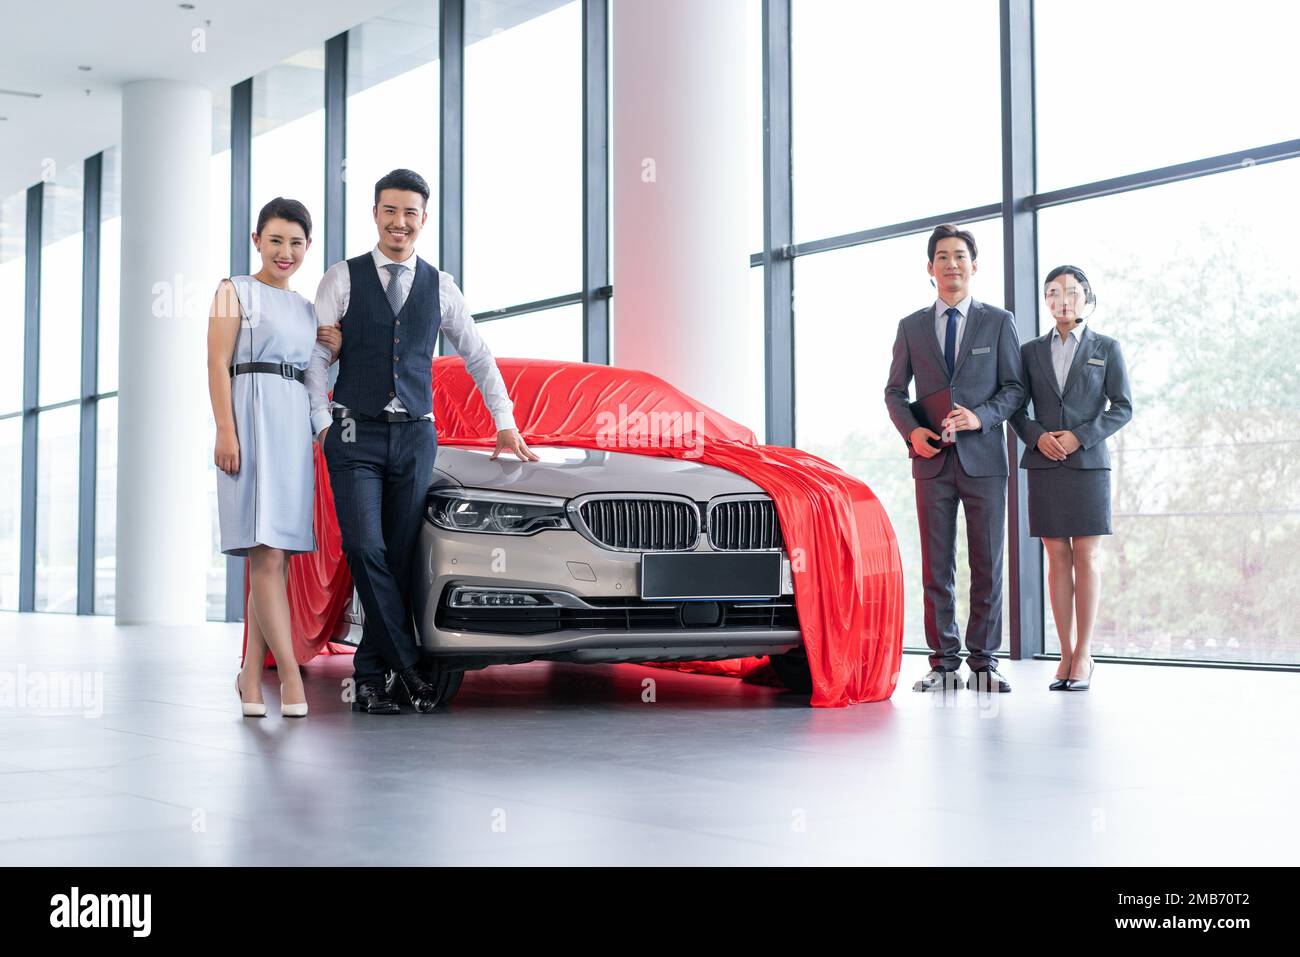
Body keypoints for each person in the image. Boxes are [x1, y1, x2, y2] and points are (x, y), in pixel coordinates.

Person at [307, 168, 539, 716]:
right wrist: (321, 423)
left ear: (423, 220)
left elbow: (478, 355)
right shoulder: (341, 277)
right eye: (390, 210)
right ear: (375, 215)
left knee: (401, 555)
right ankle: (410, 668)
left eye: (410, 213)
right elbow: (317, 357)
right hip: (352, 432)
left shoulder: (442, 285)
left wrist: (504, 421)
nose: (400, 222)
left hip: (415, 435)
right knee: (365, 548)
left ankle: (369, 679)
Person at [208, 197, 339, 718]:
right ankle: (287, 677)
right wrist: (225, 430)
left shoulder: (307, 311)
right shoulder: (233, 290)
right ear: (257, 240)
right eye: (276, 240)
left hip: (291, 429)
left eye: (296, 243)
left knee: (276, 557)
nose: (285, 252)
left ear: (308, 248)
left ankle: (246, 677)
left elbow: (315, 377)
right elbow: (217, 363)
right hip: (248, 419)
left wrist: (336, 345)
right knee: (263, 553)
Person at [885, 224, 1026, 693]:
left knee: (987, 564)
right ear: (930, 268)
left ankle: (984, 662)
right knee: (936, 566)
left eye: (960, 256)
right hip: (932, 464)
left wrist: (980, 418)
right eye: (942, 257)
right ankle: (944, 663)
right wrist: (913, 433)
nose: (952, 264)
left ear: (974, 264)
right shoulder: (911, 327)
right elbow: (894, 392)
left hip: (985, 461)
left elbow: (1015, 390)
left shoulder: (998, 321)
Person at [1010, 265, 1132, 691]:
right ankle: (1064, 652)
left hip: (1088, 463)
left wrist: (1080, 437)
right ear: (1046, 300)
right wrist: (1037, 438)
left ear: (1087, 298)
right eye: (1054, 292)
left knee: (1087, 557)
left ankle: (1085, 654)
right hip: (1045, 463)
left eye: (1072, 291)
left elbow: (1122, 407)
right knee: (1056, 559)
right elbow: (1015, 407)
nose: (1063, 298)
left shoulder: (1107, 348)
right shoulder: (1029, 352)